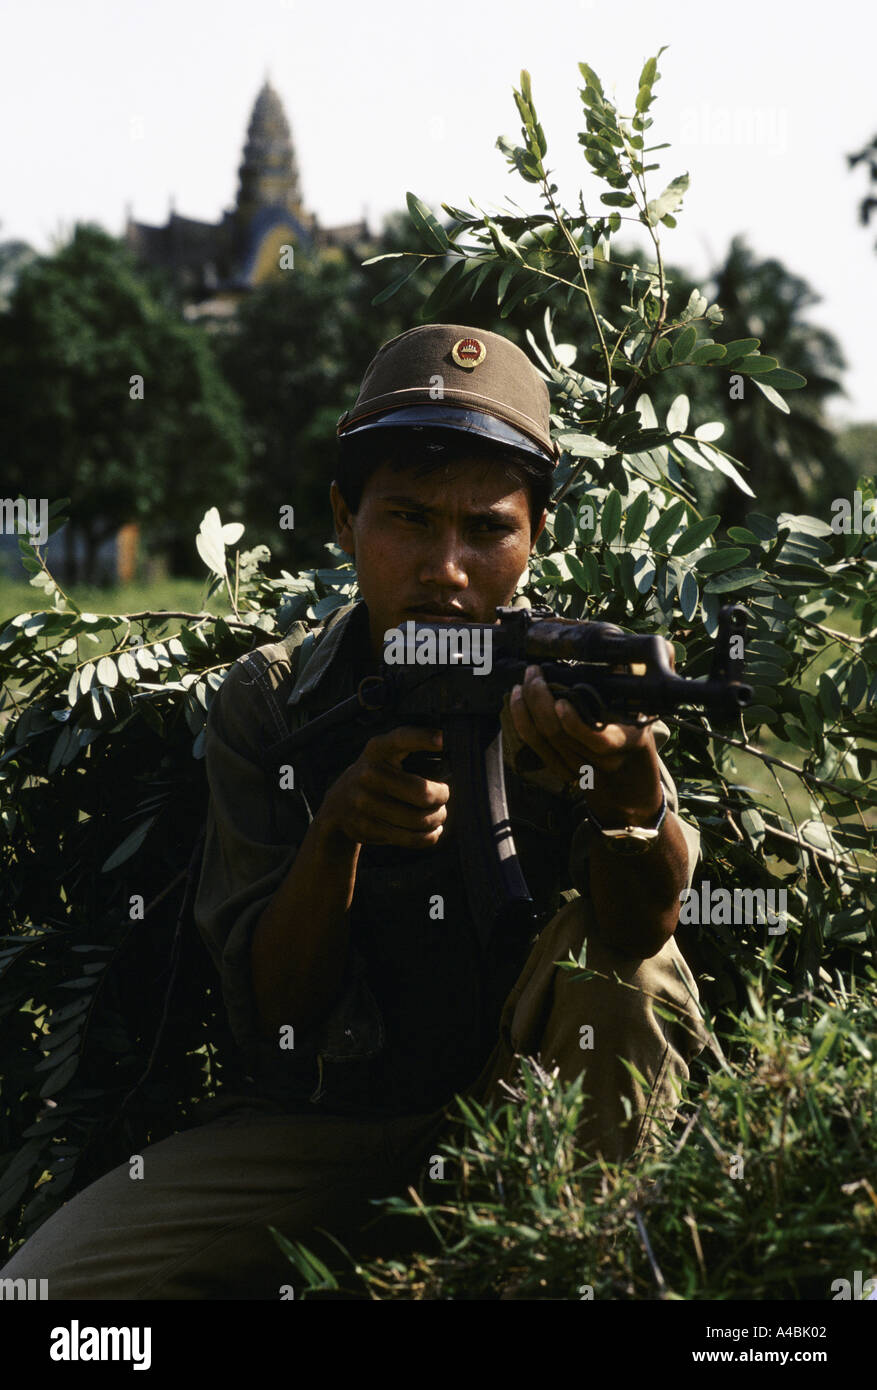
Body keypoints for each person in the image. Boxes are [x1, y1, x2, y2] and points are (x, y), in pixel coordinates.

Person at [0, 323, 711, 1300]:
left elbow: (645, 927)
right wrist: (335, 831)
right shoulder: (276, 701)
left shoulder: (575, 682)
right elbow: (276, 1016)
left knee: (623, 963)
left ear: (534, 535)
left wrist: (626, 789)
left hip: (527, 1110)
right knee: (47, 1290)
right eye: (409, 520)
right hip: (327, 1127)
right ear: (344, 519)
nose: (445, 568)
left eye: (486, 529)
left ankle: (588, 1260)